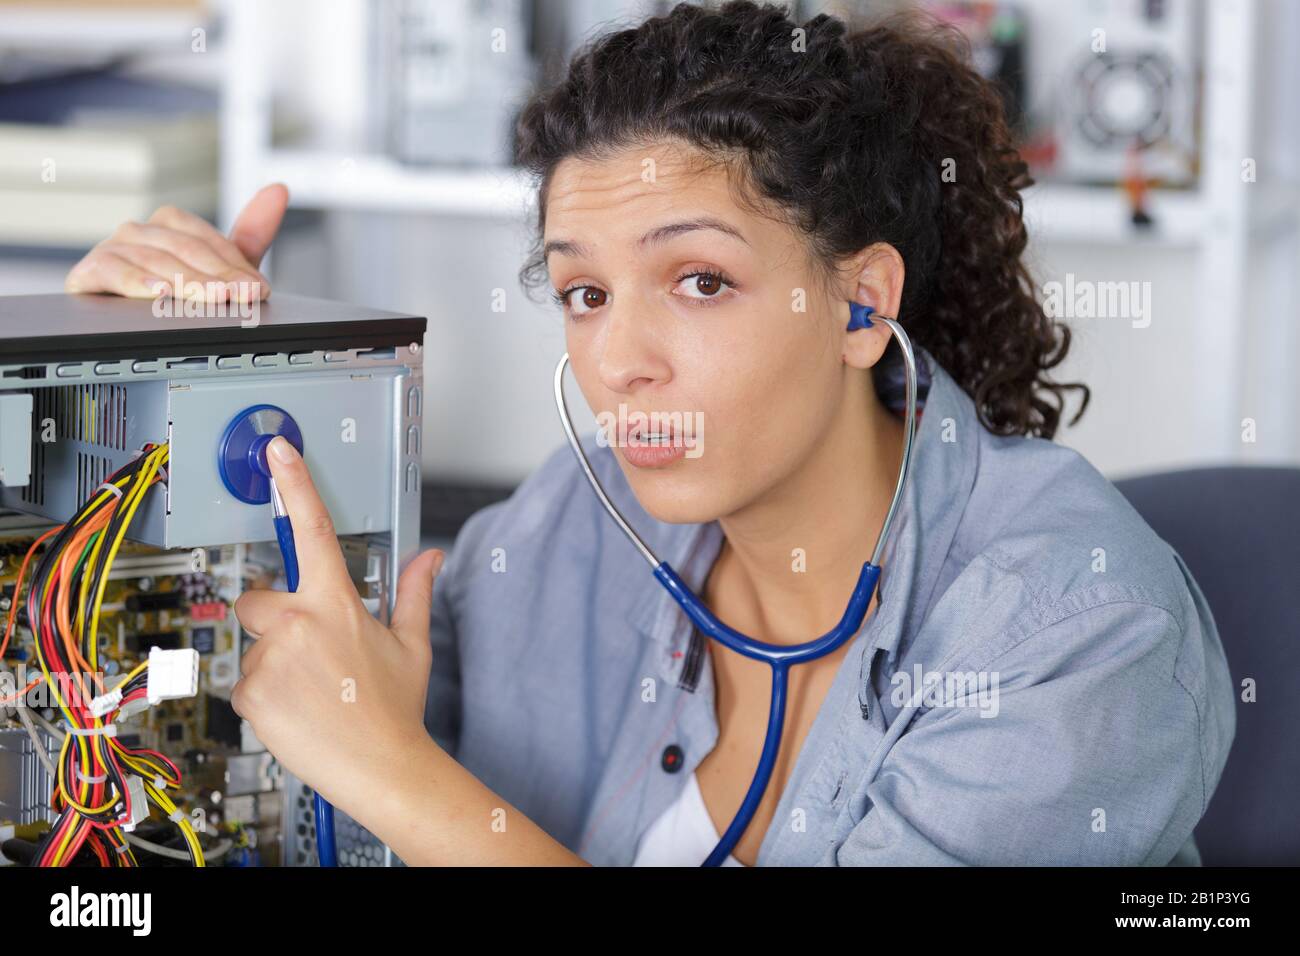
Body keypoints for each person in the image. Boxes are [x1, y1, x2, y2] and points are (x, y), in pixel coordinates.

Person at [64, 1, 1235, 866]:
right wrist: (149, 379)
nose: (621, 360)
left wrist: (401, 776)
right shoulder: (579, 528)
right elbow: (286, 698)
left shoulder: (1079, 630)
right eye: (584, 294)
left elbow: (379, 755)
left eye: (700, 281)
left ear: (861, 304)